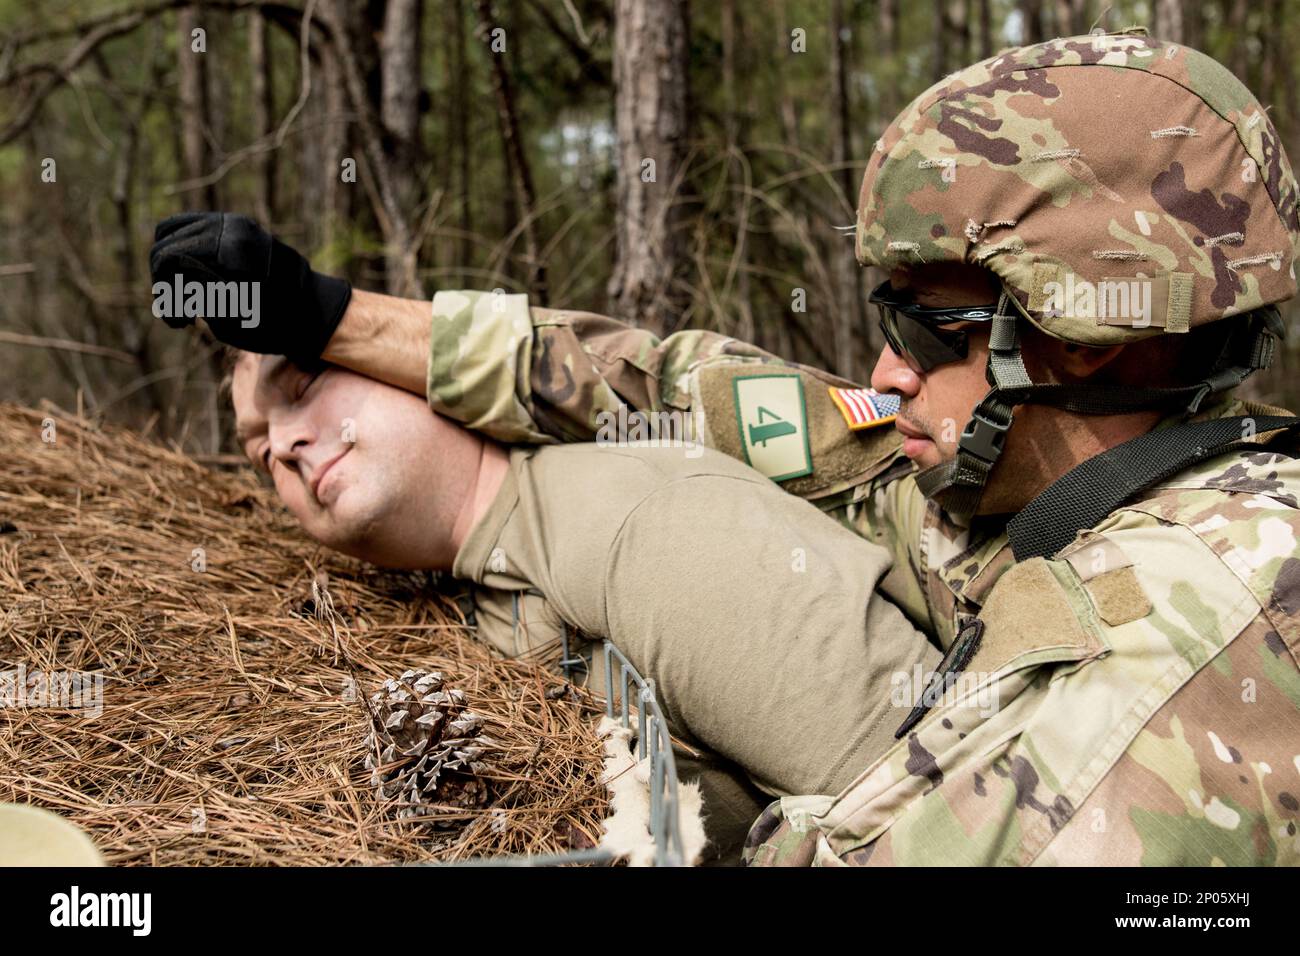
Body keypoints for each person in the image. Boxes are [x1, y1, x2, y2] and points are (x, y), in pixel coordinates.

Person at [154, 29, 1300, 865]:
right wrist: (326, 316)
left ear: (1077, 338)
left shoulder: (1191, 628)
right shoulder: (1014, 479)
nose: (884, 371)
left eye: (917, 325)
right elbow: (684, 392)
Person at [227, 348, 939, 861]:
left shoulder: (632, 521)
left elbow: (943, 807)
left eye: (304, 382)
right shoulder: (485, 573)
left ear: (403, 364)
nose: (284, 446)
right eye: (260, 455)